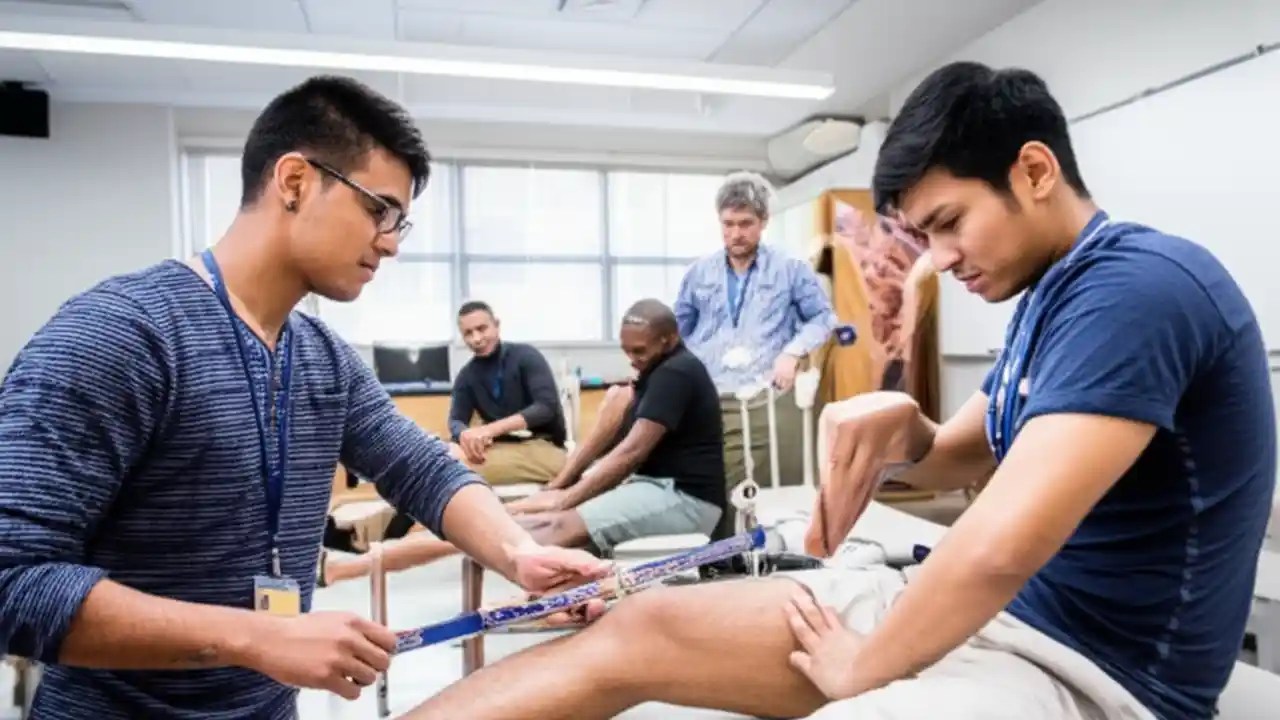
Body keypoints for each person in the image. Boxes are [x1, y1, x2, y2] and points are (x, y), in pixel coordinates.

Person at [403, 61, 1275, 720]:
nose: (938, 259)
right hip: (1000, 617)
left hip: (1094, 673)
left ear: (1035, 172)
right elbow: (968, 451)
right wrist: (911, 431)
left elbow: (998, 545)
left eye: (949, 224)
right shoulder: (1050, 296)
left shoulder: (1139, 289)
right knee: (636, 631)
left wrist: (869, 665)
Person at [0, 75, 608, 719]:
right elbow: (11, 583)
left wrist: (520, 553)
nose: (393, 242)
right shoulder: (120, 334)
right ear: (294, 182)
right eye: (379, 209)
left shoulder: (322, 358)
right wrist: (256, 636)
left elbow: (421, 470)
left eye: (400, 221)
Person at [318, 299, 725, 584]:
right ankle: (356, 549)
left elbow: (625, 449)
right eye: (627, 351)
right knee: (502, 514)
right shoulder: (654, 371)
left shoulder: (675, 373)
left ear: (668, 340)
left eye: (639, 351)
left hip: (681, 497)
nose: (631, 359)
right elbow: (457, 420)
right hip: (646, 485)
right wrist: (565, 483)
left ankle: (348, 567)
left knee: (532, 524)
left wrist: (566, 494)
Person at [674, 171, 836, 530]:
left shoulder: (791, 269)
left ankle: (761, 551)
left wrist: (793, 352)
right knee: (712, 481)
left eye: (745, 223)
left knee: (766, 482)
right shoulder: (699, 272)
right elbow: (677, 332)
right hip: (709, 394)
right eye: (728, 224)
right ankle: (718, 554)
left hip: (765, 395)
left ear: (763, 221)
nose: (735, 233)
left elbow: (823, 318)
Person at [447, 300, 569, 484]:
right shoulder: (466, 376)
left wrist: (489, 430)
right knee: (439, 455)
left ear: (496, 325)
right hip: (500, 447)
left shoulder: (526, 356)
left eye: (482, 329)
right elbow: (456, 420)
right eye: (468, 333)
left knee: (451, 472)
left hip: (541, 445)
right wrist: (464, 434)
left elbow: (545, 407)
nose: (477, 338)